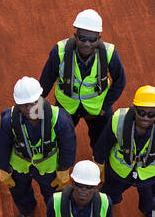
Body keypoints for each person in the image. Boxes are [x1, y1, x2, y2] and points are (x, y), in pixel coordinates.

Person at [0, 76, 76, 217]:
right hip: (20, 166)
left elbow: (68, 145)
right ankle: (26, 210)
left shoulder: (60, 119)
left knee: (53, 193)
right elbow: (3, 144)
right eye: (24, 105)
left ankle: (56, 214)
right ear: (17, 104)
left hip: (48, 168)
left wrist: (64, 169)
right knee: (19, 190)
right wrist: (3, 168)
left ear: (41, 97)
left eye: (33, 103)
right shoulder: (9, 120)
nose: (30, 108)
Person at [39, 9, 125, 148]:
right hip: (67, 105)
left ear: (99, 37)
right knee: (58, 140)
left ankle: (99, 165)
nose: (87, 44)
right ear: (75, 35)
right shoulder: (59, 51)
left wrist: (104, 106)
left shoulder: (109, 53)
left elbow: (120, 81)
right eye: (82, 38)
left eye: (92, 39)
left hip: (97, 108)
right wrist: (36, 107)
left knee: (103, 142)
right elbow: (46, 80)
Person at [94, 85, 155, 217]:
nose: (145, 117)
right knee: (110, 190)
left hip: (149, 172)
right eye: (141, 112)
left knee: (151, 197)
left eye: (151, 114)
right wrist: (98, 164)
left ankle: (153, 215)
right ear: (134, 108)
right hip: (120, 170)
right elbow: (103, 143)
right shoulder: (118, 120)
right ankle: (106, 206)